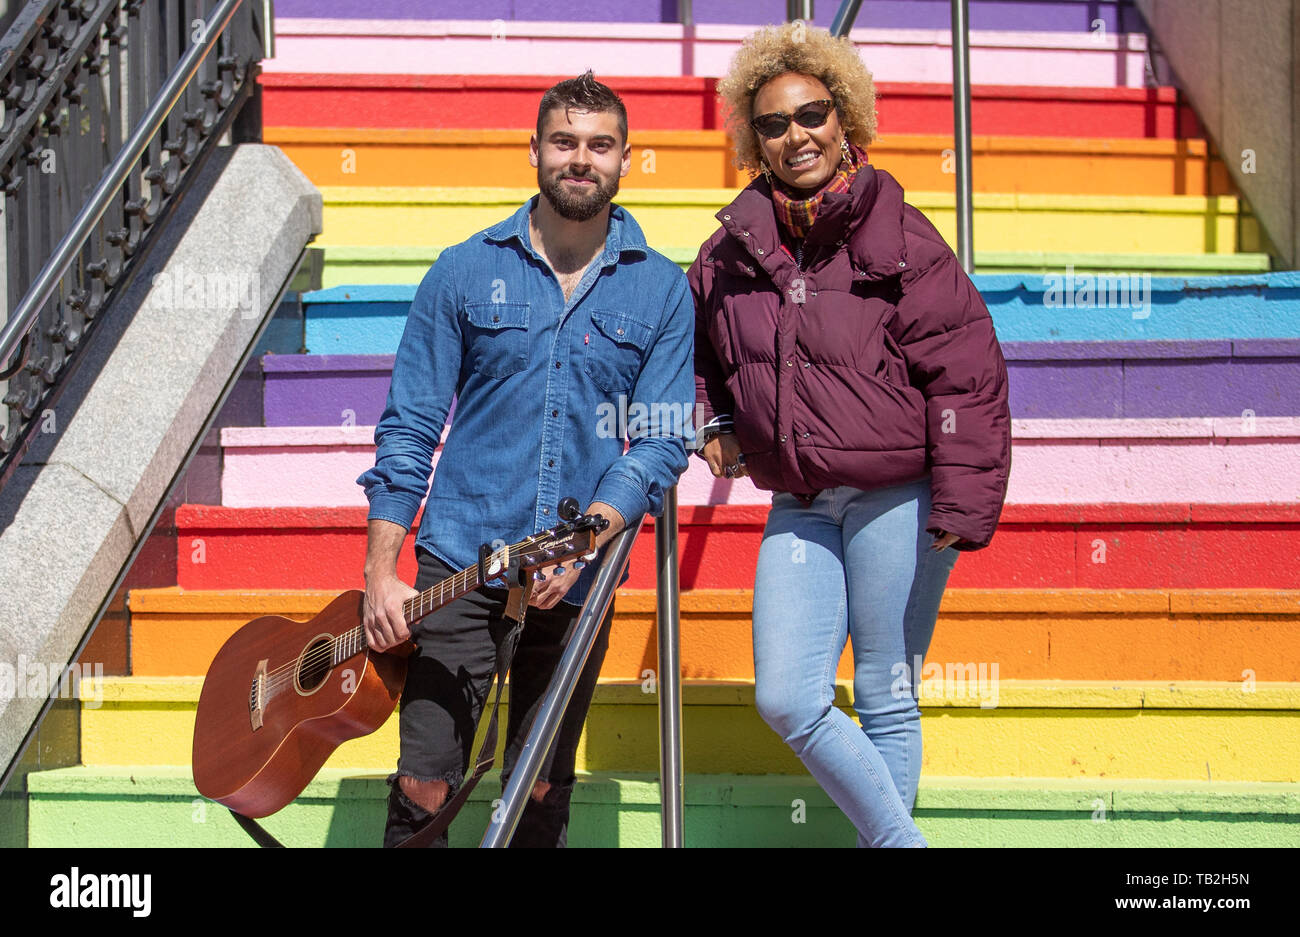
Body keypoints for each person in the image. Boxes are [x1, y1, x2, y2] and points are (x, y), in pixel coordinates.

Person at [690, 24, 1011, 847]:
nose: (796, 134)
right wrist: (712, 420)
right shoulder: (727, 253)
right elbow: (692, 359)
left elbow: (967, 376)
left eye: (813, 114)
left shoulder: (904, 238)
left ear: (846, 119)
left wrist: (964, 506)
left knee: (885, 688)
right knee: (789, 697)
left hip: (899, 494)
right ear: (751, 138)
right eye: (773, 122)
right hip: (800, 501)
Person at [358, 71, 694, 847]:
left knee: (541, 784)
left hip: (579, 577)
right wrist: (381, 566)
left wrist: (585, 544)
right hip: (458, 561)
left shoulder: (664, 292)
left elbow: (661, 439)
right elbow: (409, 426)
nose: (582, 159)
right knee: (424, 778)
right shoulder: (463, 271)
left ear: (625, 160)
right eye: (565, 141)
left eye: (600, 145)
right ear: (534, 150)